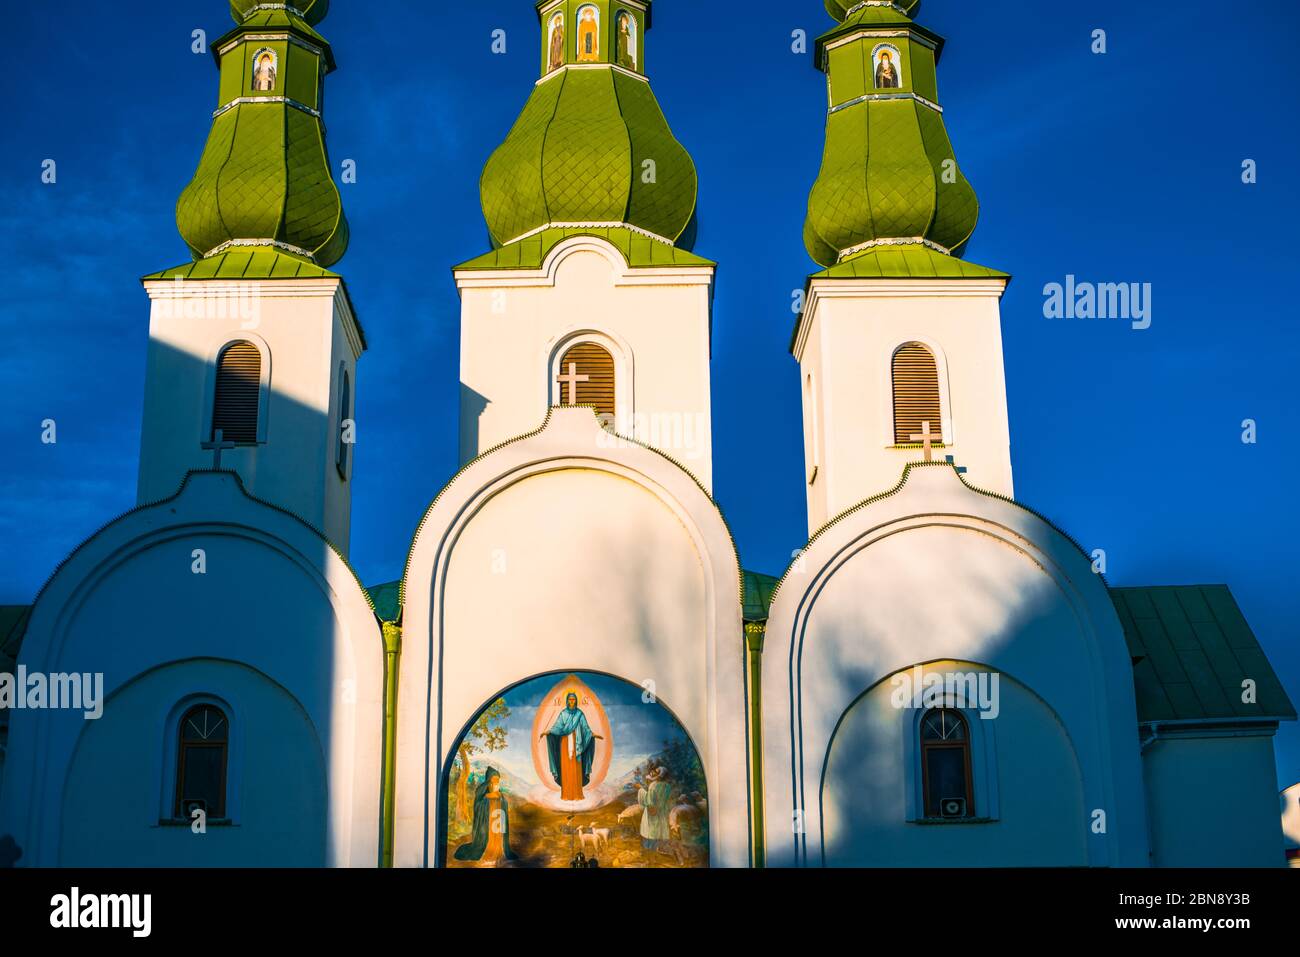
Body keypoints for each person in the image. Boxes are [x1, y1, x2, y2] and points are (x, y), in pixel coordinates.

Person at [540, 692, 603, 801]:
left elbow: (585, 728)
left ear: (576, 701)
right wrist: (548, 732)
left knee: (576, 769)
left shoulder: (580, 714)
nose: (571, 701)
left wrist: (592, 734)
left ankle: (577, 794)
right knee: (566, 768)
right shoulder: (563, 714)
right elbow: (557, 727)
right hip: (564, 744)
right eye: (570, 699)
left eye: (573, 699)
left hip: (577, 745)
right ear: (567, 700)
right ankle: (566, 795)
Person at [453, 768, 517, 865]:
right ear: (488, 782)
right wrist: (488, 799)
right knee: (487, 843)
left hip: (498, 826)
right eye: (493, 781)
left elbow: (504, 809)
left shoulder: (501, 797)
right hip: (488, 827)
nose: (495, 784)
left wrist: (499, 799)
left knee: (498, 841)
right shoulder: (482, 795)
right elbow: (478, 807)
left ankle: (500, 850)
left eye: (497, 782)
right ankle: (488, 852)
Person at [638, 765, 673, 849]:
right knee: (660, 830)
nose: (652, 772)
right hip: (662, 811)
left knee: (651, 831)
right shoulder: (667, 786)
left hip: (652, 812)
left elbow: (648, 801)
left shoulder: (653, 785)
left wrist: (640, 789)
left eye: (656, 771)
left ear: (659, 774)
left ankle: (650, 850)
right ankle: (659, 848)